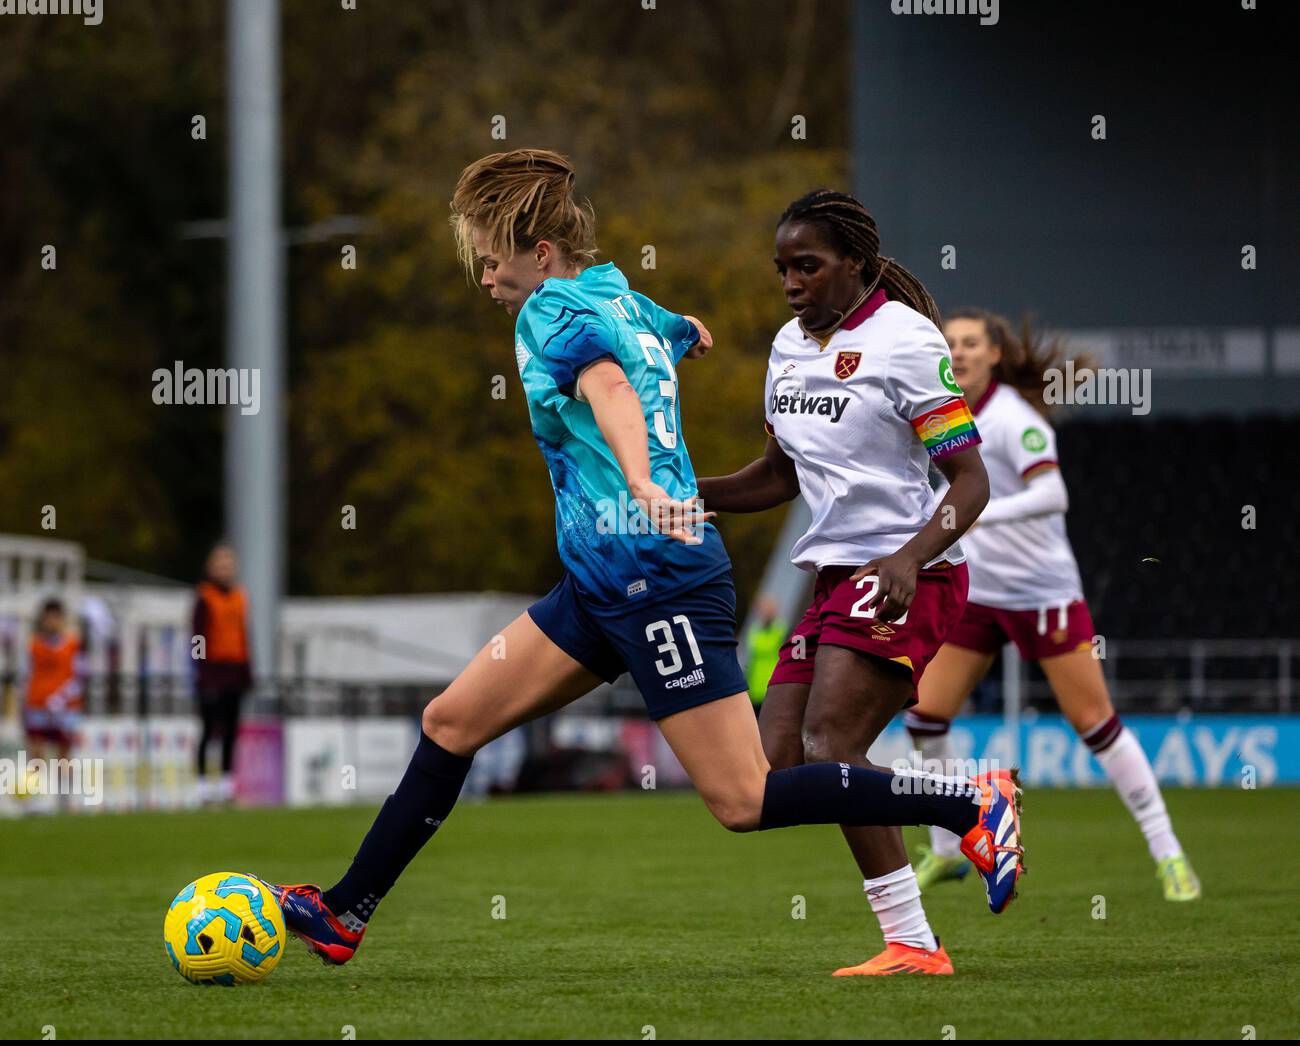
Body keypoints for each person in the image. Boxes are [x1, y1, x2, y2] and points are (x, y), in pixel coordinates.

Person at [259, 150, 1022, 968]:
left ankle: (961, 801)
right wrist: (685, 331)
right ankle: (345, 913)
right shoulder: (616, 293)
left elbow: (611, 391)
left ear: (541, 255)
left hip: (657, 578)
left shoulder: (549, 314)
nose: (485, 279)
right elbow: (653, 328)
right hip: (595, 583)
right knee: (451, 722)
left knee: (743, 797)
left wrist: (639, 480)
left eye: (492, 260)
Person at [699, 190, 999, 976]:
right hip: (833, 577)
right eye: (783, 270)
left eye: (809, 266)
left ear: (858, 266)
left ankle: (971, 808)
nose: (792, 283)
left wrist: (907, 556)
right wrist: (682, 494)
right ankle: (916, 941)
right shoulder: (786, 348)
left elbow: (970, 482)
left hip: (911, 574)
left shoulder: (905, 342)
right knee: (784, 772)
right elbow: (774, 476)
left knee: (833, 744)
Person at [907, 309, 1200, 901]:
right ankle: (948, 851)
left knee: (1095, 726)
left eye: (970, 343)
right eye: (950, 343)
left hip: (1044, 595)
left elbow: (1053, 492)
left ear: (994, 355)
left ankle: (1169, 854)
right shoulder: (939, 416)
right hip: (979, 594)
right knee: (924, 717)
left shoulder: (1013, 419)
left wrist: (975, 513)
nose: (958, 352)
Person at [192, 544, 253, 805]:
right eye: (220, 563)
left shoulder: (240, 597)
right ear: (211, 567)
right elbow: (197, 637)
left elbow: (243, 636)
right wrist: (202, 672)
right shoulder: (204, 597)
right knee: (208, 729)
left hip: (234, 672)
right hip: (212, 672)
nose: (225, 569)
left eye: (228, 563)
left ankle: (227, 787)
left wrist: (247, 672)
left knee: (231, 730)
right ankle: (204, 787)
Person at [23, 598, 84, 808]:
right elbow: (27, 675)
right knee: (36, 752)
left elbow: (80, 676)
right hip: (37, 705)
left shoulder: (72, 645)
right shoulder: (34, 645)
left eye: (55, 618)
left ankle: (64, 799)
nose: (51, 622)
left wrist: (61, 698)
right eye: (48, 618)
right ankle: (35, 799)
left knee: (64, 753)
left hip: (65, 708)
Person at [744, 594, 787, 717]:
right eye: (763, 609)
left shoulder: (781, 630)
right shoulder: (754, 630)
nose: (765, 612)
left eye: (769, 609)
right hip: (754, 688)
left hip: (772, 687)